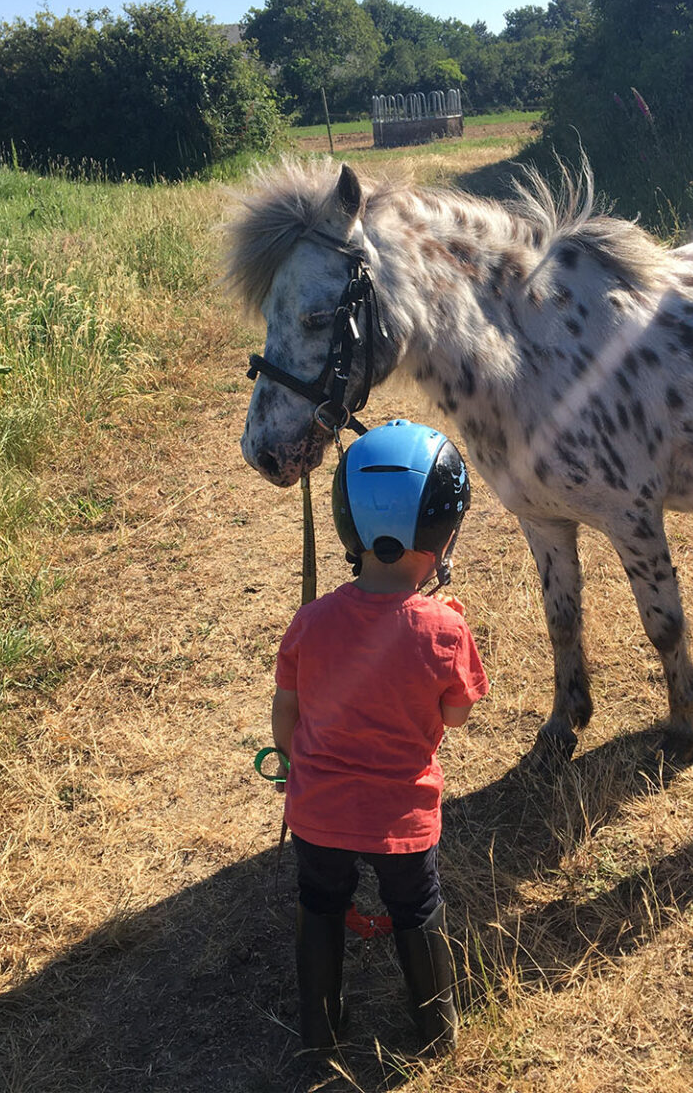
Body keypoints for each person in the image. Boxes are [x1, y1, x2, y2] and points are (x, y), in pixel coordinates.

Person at [272, 418, 489, 1055]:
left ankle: (320, 1029)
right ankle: (436, 1030)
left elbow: (286, 713)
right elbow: (455, 716)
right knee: (416, 906)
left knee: (320, 900)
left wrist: (292, 760)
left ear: (348, 522)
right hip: (404, 819)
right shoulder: (446, 630)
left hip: (318, 812)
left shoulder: (311, 621)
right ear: (443, 533)